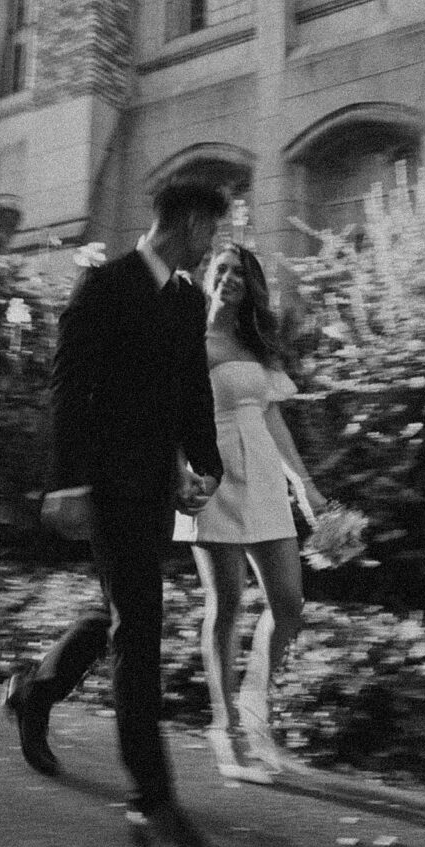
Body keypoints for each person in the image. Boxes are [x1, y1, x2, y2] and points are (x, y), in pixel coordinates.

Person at [2, 180, 229, 847]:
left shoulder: (190, 300)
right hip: (104, 487)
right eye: (214, 231)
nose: (216, 245)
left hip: (157, 487)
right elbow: (70, 386)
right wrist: (68, 483)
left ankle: (35, 689)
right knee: (140, 625)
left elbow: (193, 387)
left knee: (121, 611)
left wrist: (207, 467)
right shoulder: (105, 286)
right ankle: (151, 802)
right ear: (191, 224)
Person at [175, 243, 327, 783]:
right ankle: (225, 729)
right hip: (209, 475)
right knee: (227, 604)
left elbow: (273, 420)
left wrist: (303, 485)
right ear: (206, 275)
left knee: (288, 603)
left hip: (262, 473)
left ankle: (255, 711)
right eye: (223, 268)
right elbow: (169, 414)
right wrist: (179, 475)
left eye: (242, 271)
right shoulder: (188, 336)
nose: (232, 278)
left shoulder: (257, 343)